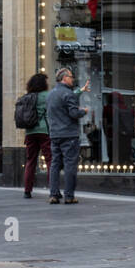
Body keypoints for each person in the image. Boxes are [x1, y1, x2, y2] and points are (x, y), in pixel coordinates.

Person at [46, 66, 89, 205]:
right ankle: (69, 195)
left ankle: (54, 194)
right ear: (64, 78)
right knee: (70, 165)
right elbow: (73, 113)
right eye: (71, 77)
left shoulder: (51, 94)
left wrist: (80, 91)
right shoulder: (68, 94)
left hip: (55, 134)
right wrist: (83, 111)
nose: (73, 79)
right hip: (69, 134)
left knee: (55, 164)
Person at [22, 73, 51, 198]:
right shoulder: (46, 96)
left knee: (30, 161)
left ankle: (27, 190)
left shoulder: (27, 96)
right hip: (44, 131)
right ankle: (53, 189)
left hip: (29, 132)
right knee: (50, 160)